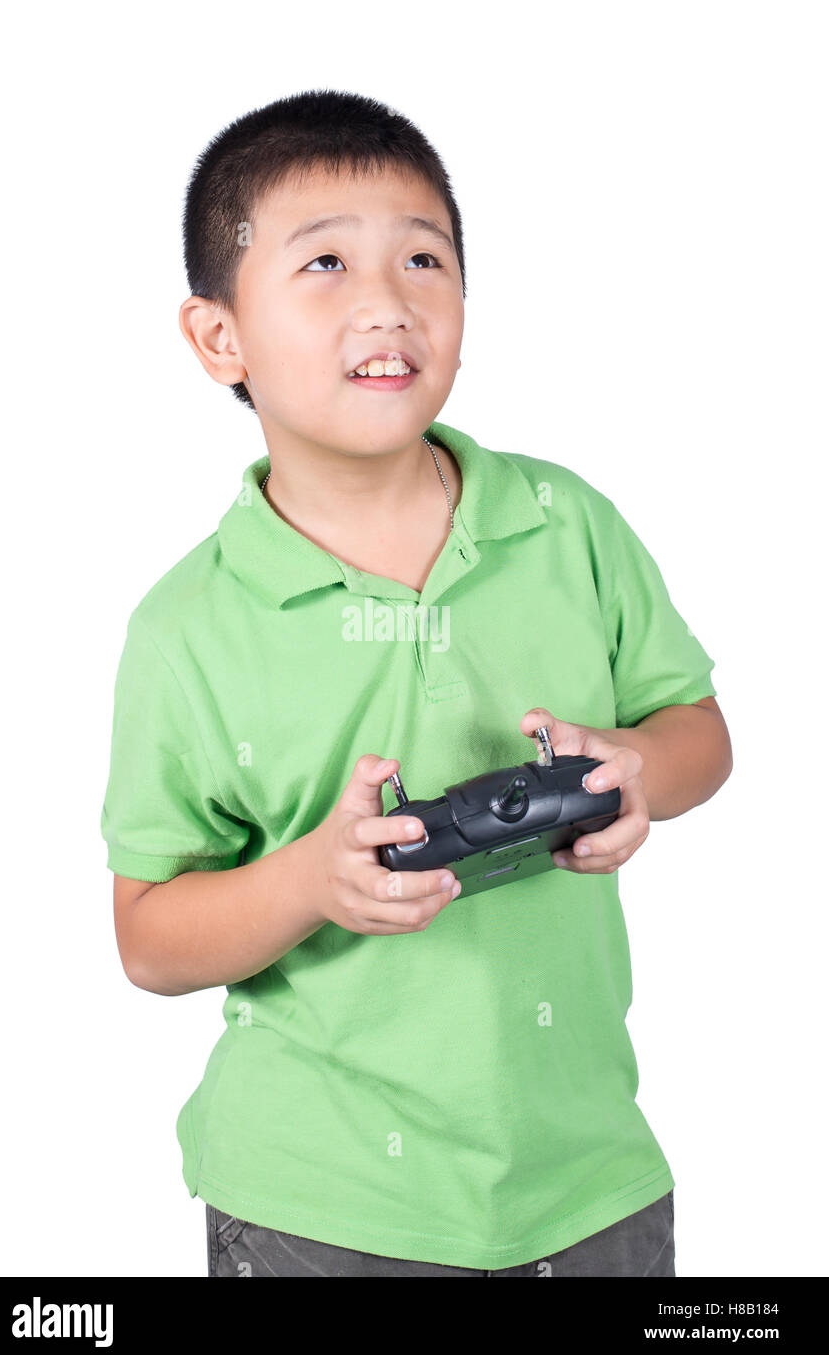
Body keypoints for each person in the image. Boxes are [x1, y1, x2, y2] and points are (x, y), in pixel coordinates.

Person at [101, 89, 733, 1277]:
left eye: (425, 258)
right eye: (327, 262)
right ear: (219, 338)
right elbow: (148, 935)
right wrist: (310, 879)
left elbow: (698, 728)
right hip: (320, 1205)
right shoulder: (188, 628)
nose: (389, 300)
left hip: (583, 1176)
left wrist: (643, 768)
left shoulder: (564, 522)